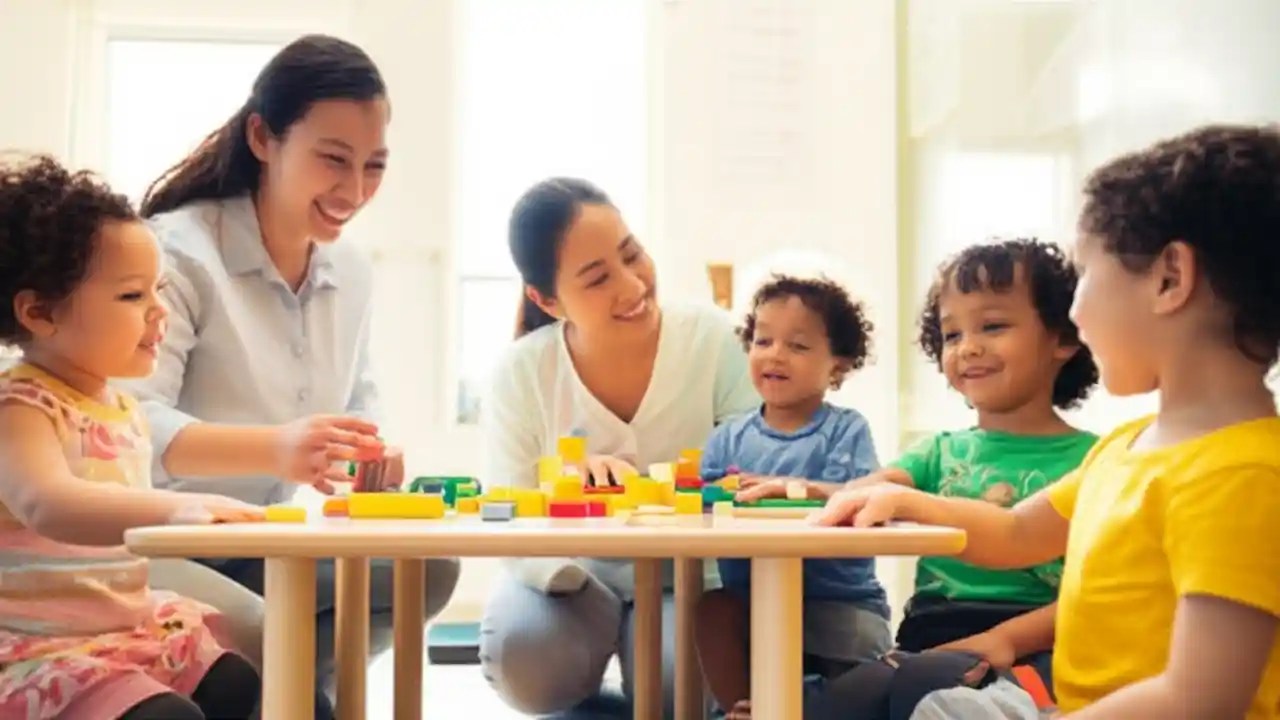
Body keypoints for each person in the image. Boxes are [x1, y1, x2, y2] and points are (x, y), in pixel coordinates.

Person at [815, 124, 1280, 719]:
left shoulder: (1243, 476)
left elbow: (1201, 699)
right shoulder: (1128, 446)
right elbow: (1014, 534)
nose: (1076, 310)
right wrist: (902, 500)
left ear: (1170, 278)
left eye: (1086, 274)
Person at [119, 33, 460, 692]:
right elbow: (131, 423)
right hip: (156, 540)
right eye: (333, 159)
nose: (355, 189)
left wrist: (371, 452)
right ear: (261, 138)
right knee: (265, 634)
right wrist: (273, 448)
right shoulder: (178, 253)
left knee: (429, 568)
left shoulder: (351, 272)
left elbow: (360, 401)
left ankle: (292, 692)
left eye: (375, 166)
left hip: (258, 539)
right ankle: (287, 692)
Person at [0, 154, 382, 718]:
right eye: (132, 297)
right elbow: (47, 503)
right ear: (38, 312)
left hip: (125, 630)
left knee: (239, 683)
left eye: (158, 291)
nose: (159, 312)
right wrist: (176, 509)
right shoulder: (21, 407)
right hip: (42, 648)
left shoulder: (120, 407)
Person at [480, 177, 760, 716]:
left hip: (692, 578)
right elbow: (504, 511)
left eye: (632, 254)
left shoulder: (715, 340)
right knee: (526, 660)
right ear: (547, 300)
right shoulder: (522, 372)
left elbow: (757, 473)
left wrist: (653, 488)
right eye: (597, 278)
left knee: (680, 690)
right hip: (572, 580)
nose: (632, 285)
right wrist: (561, 482)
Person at [850, 239, 1097, 687]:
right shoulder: (937, 451)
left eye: (993, 325)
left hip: (1038, 639)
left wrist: (1007, 638)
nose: (968, 348)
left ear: (1063, 336)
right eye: (952, 335)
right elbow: (874, 490)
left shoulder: (1095, 461)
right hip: (930, 631)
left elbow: (1094, 592)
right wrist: (811, 490)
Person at [693, 275, 893, 720]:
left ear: (837, 366)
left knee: (864, 662)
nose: (776, 355)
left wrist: (800, 490)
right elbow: (704, 507)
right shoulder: (728, 438)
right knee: (712, 609)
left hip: (838, 601)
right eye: (763, 340)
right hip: (751, 602)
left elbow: (869, 496)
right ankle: (742, 710)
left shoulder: (845, 429)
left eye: (798, 346)